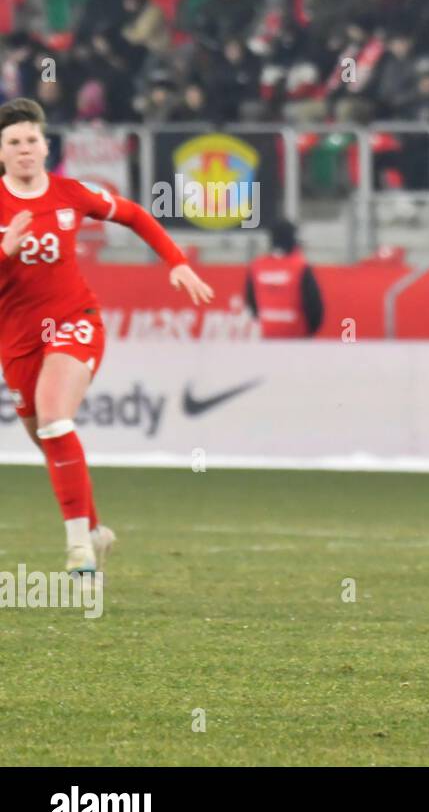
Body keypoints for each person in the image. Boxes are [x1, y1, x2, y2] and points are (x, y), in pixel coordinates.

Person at [0, 98, 214, 574]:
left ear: (45, 145)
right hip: (17, 341)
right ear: (1, 152)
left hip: (76, 320)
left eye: (31, 140)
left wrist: (175, 261)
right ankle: (94, 528)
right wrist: (4, 250)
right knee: (48, 441)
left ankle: (79, 553)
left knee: (56, 420)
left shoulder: (71, 192)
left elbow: (134, 214)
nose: (24, 150)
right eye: (13, 142)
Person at [245, 221, 324, 338]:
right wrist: (309, 333)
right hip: (296, 337)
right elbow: (314, 307)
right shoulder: (300, 267)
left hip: (267, 336)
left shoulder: (257, 266)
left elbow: (251, 302)